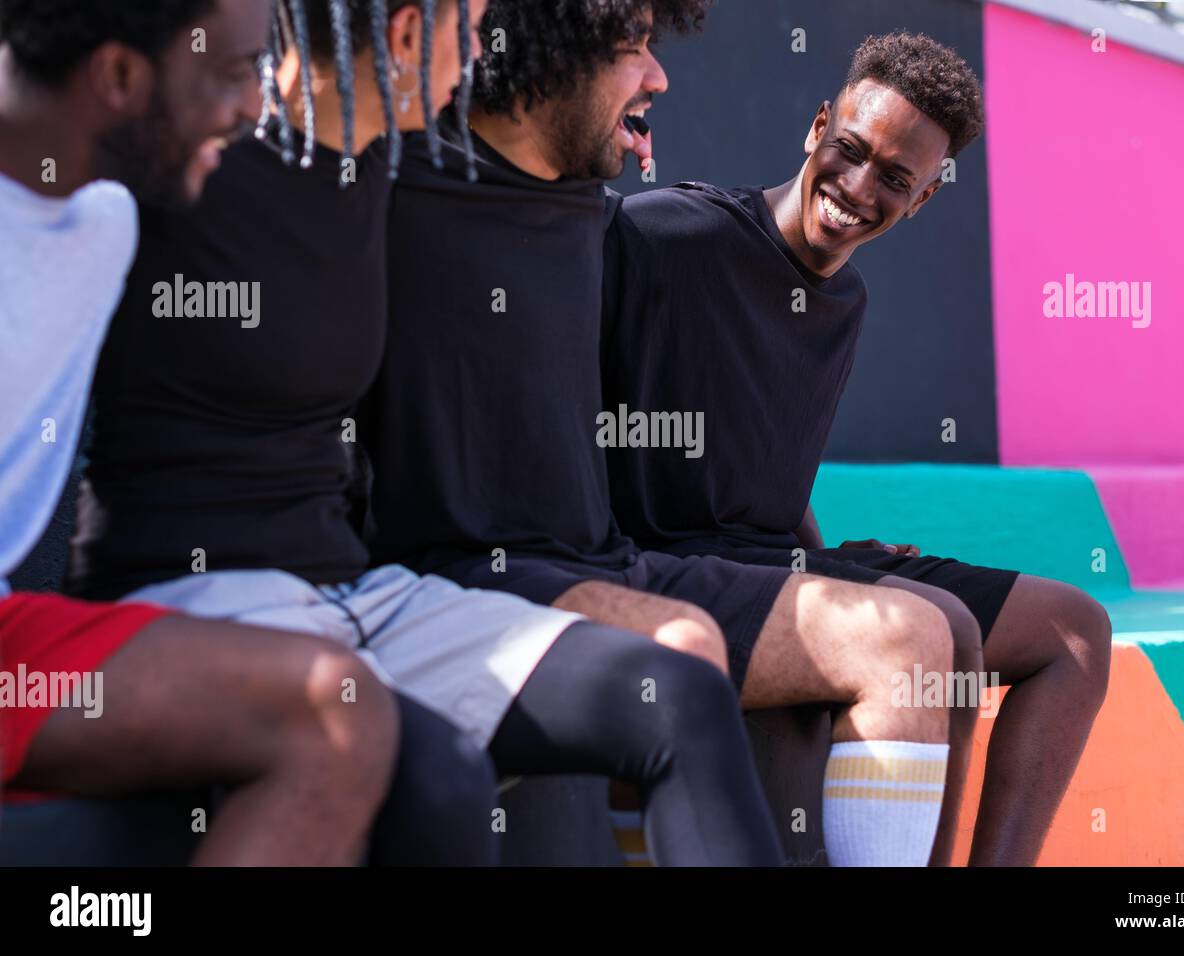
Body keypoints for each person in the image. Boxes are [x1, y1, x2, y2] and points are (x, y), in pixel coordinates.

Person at [67, 0, 783, 866]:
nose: (486, 53)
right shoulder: (185, 160)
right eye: (470, 28)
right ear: (406, 35)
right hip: (193, 597)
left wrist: (611, 125)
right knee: (437, 780)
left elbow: (537, 154)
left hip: (354, 598)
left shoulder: (386, 171)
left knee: (677, 691)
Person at [366, 0, 959, 866]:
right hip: (478, 573)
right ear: (550, 54)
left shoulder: (593, 208)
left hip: (609, 559)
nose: (659, 76)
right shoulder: (407, 188)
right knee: (682, 651)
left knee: (914, 639)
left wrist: (822, 551)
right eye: (630, 50)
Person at [602, 32, 1113, 865]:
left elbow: (762, 453)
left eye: (895, 179)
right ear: (816, 128)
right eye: (850, 150)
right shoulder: (669, 235)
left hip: (783, 561)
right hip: (680, 565)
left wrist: (835, 555)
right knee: (938, 630)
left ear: (923, 201)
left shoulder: (847, 299)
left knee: (1077, 633)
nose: (858, 186)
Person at [0, 0, 401, 866]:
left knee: (338, 709)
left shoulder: (105, 224)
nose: (256, 106)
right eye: (232, 73)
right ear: (119, 76)